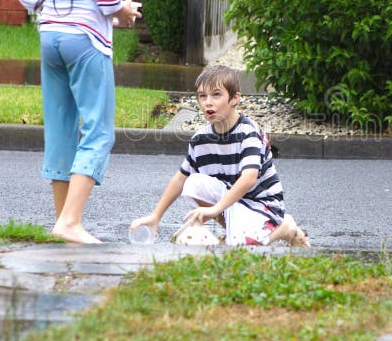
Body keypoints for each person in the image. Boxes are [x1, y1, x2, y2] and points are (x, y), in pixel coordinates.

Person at [19, 0, 139, 244]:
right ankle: (70, 222)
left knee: (60, 129)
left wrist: (59, 12)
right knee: (99, 131)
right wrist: (126, 10)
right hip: (85, 43)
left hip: (50, 38)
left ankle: (61, 223)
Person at [130, 65, 310, 247]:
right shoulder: (200, 139)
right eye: (202, 96)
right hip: (233, 201)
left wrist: (215, 209)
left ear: (235, 99)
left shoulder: (248, 132)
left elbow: (249, 178)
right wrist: (156, 216)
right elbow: (180, 180)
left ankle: (285, 227)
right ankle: (235, 232)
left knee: (241, 247)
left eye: (216, 95)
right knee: (193, 183)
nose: (208, 102)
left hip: (263, 204)